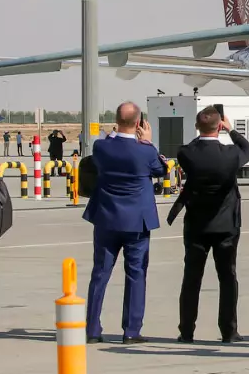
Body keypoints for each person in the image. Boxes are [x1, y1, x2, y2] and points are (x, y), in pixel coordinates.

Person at [169, 105, 249, 344]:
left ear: (197, 127)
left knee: (191, 278)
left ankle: (187, 330)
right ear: (219, 126)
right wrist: (232, 130)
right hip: (226, 224)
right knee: (227, 278)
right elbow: (248, 149)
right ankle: (228, 330)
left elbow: (189, 149)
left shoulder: (186, 153)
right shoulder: (230, 154)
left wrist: (206, 132)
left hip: (197, 225)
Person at [82, 102, 165, 344]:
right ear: (139, 124)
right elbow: (161, 169)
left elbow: (103, 151)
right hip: (136, 221)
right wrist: (148, 142)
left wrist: (113, 135)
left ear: (116, 121)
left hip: (107, 218)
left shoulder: (101, 147)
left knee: (100, 273)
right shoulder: (145, 150)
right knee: (136, 273)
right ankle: (131, 330)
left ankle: (93, 329)